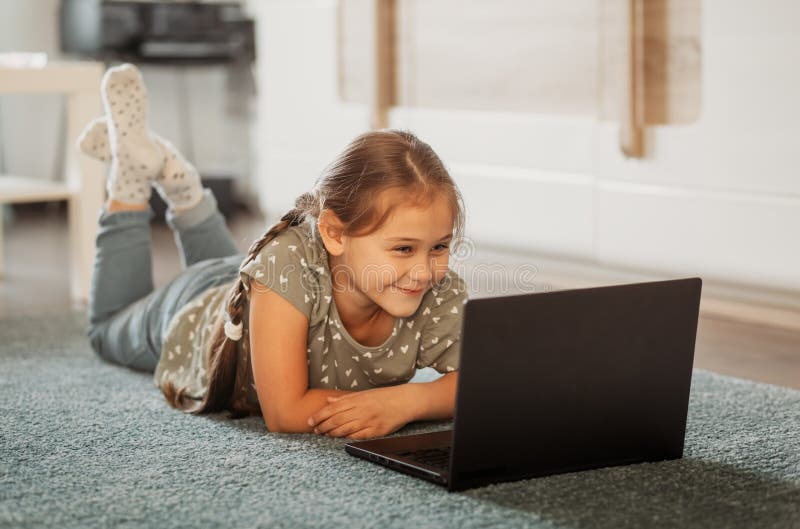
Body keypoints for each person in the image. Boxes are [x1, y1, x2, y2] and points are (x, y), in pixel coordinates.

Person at [81, 63, 469, 440]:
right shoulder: (284, 266)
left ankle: (181, 185)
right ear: (334, 233)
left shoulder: (434, 291)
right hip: (196, 307)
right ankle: (130, 179)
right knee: (104, 330)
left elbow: (483, 383)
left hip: (255, 286)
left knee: (248, 273)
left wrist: (408, 401)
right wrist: (398, 402)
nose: (424, 270)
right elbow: (286, 412)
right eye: (403, 248)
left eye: (439, 246)